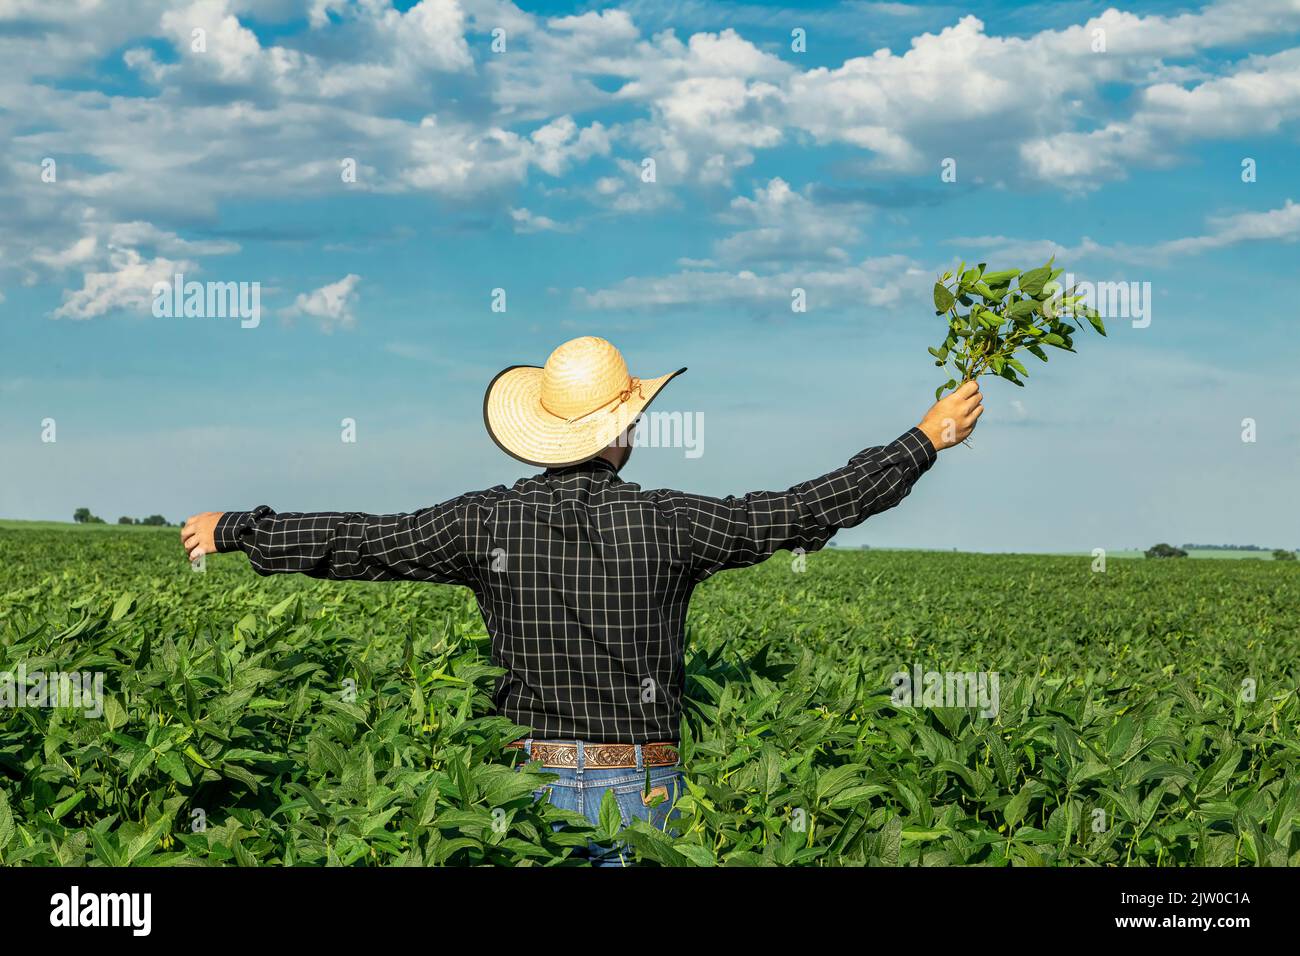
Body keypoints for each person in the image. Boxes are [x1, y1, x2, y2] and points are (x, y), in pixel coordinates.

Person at [181, 335, 983, 865]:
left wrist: (243, 531)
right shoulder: (673, 522)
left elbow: (364, 540)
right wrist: (922, 439)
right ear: (623, 430)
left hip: (521, 787)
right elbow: (802, 511)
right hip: (642, 785)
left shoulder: (482, 521)